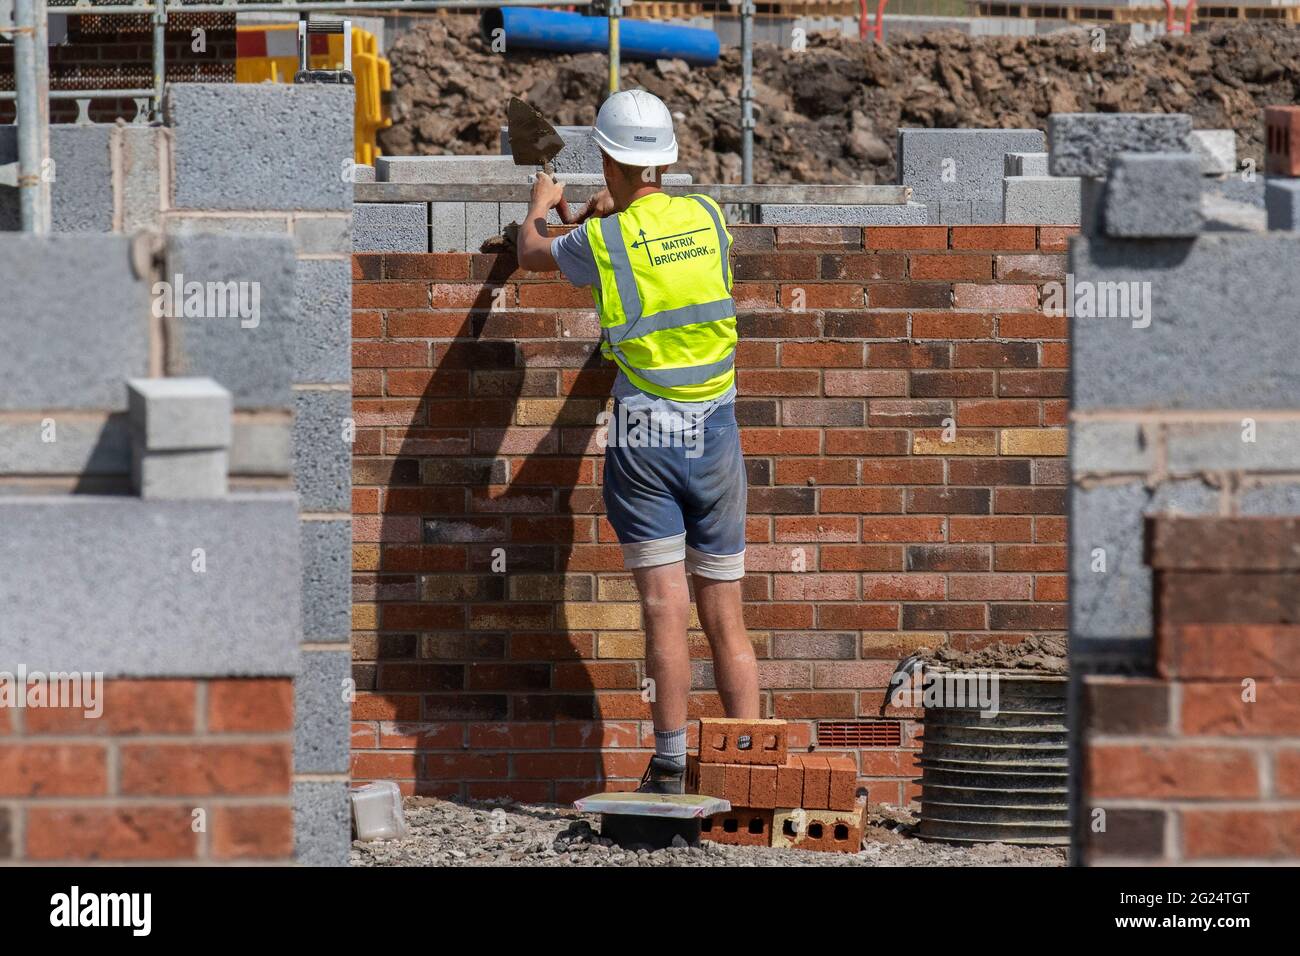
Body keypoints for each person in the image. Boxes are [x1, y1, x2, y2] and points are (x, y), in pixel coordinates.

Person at [517, 89, 759, 795]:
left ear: (607, 158)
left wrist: (544, 198)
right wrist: (611, 208)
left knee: (664, 607)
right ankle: (754, 765)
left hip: (646, 435)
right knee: (726, 613)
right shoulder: (709, 217)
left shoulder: (604, 240)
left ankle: (671, 765)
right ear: (664, 161)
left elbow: (533, 247)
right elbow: (665, 247)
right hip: (716, 434)